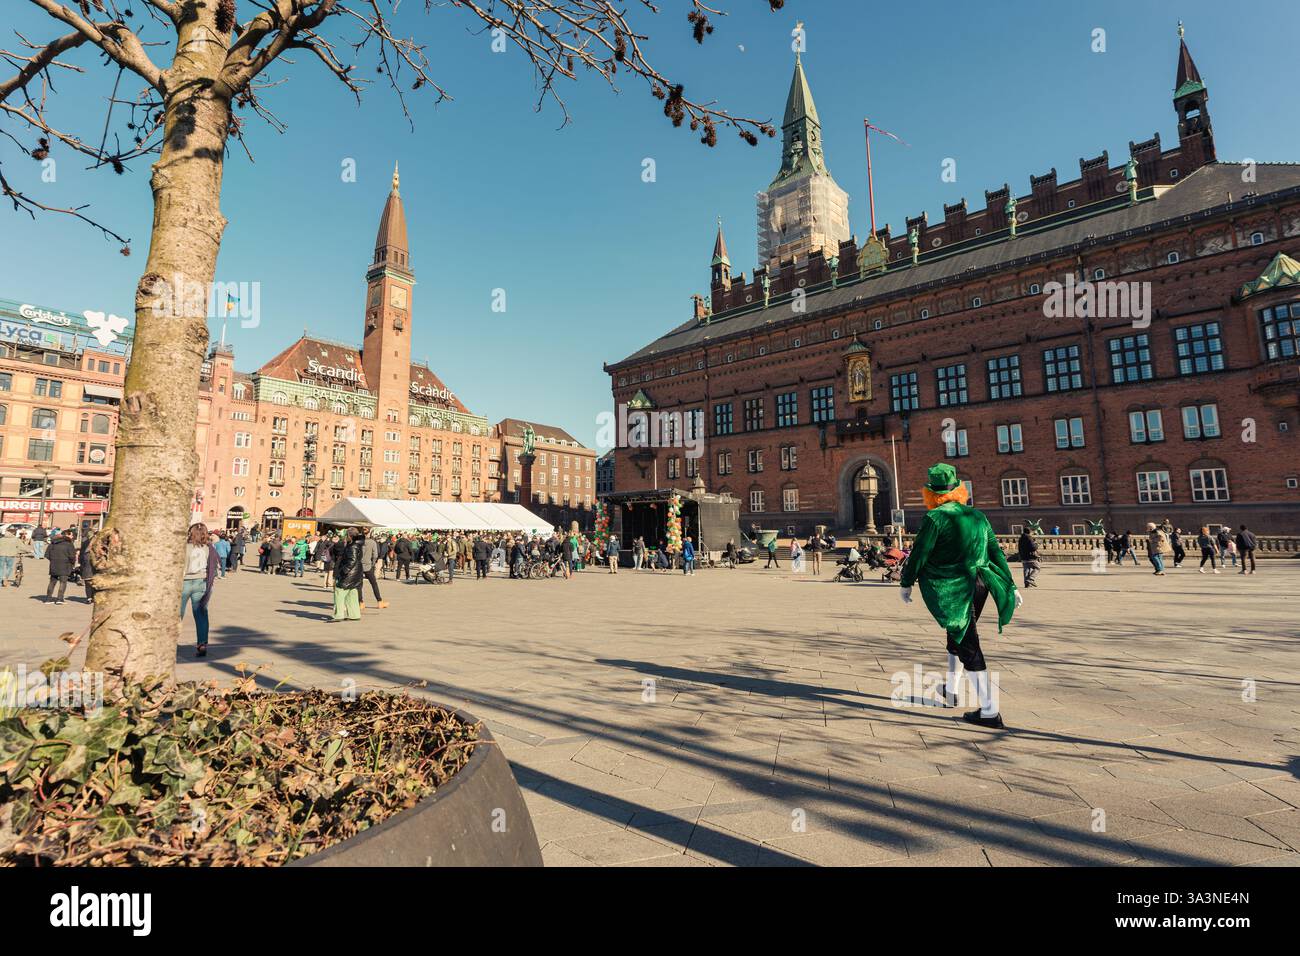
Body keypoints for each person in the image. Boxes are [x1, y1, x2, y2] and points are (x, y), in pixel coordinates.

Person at [898, 463, 1021, 729]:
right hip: (981, 583)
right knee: (957, 633)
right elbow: (995, 552)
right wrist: (1010, 585)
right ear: (958, 489)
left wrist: (906, 583)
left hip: (955, 587)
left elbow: (919, 553)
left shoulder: (935, 518)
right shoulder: (978, 516)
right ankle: (951, 690)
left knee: (968, 642)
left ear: (930, 492)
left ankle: (989, 711)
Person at [181, 522, 219, 657]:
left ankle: (171, 641)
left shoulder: (184, 547)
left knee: (177, 614)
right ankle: (202, 643)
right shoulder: (209, 548)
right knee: (201, 614)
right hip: (201, 583)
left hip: (184, 582)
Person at [330, 529, 365, 621]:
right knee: (352, 592)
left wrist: (343, 571)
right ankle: (354, 614)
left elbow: (352, 560)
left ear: (350, 535)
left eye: (346, 535)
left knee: (339, 591)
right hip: (356, 572)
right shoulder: (358, 544)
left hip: (349, 573)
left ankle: (339, 615)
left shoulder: (352, 546)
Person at [42, 530, 75, 603]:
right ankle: (60, 599)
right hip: (65, 565)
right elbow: (72, 556)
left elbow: (47, 555)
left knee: (52, 582)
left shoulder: (53, 543)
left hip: (54, 565)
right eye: (71, 535)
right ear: (67, 535)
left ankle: (48, 598)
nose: (72, 537)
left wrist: (53, 560)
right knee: (63, 582)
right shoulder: (69, 544)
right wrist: (72, 564)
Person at [359, 528, 387, 607]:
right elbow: (375, 555)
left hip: (359, 565)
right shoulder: (372, 542)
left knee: (359, 585)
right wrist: (373, 563)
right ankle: (379, 602)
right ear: (369, 533)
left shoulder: (359, 542)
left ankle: (360, 602)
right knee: (374, 584)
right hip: (368, 565)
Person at [78, 535, 97, 603]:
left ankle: (89, 598)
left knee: (88, 584)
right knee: (93, 584)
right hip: (93, 569)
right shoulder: (96, 551)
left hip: (86, 568)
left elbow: (81, 558)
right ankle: (92, 597)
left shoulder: (85, 547)